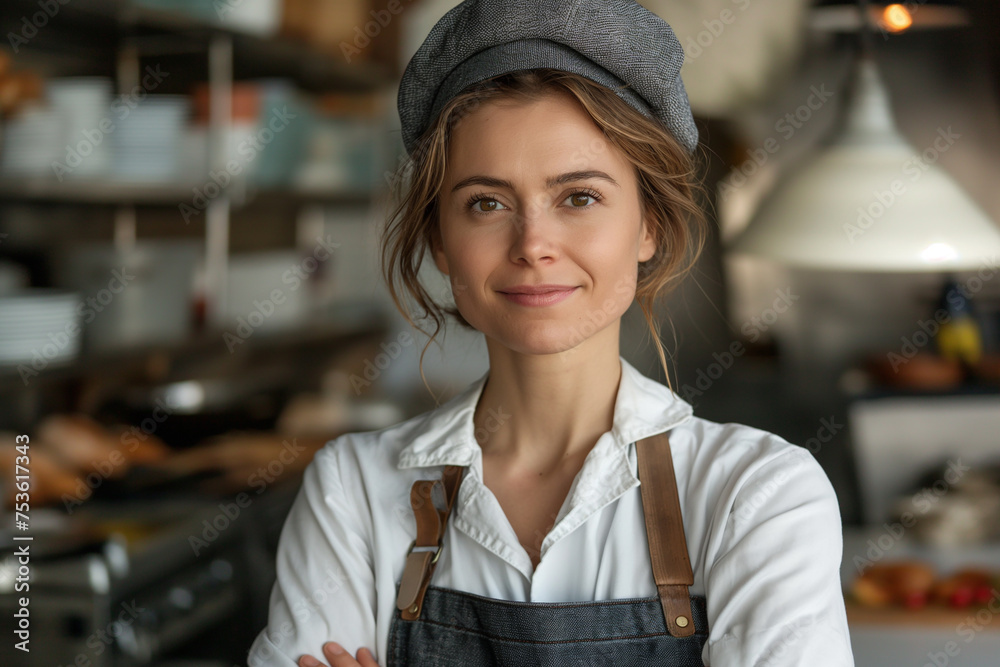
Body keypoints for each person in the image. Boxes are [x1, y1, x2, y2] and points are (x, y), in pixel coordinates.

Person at [246, 0, 855, 665]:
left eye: (579, 197)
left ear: (649, 224)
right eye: (486, 202)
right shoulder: (353, 493)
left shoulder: (758, 496)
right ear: (441, 242)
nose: (533, 243)